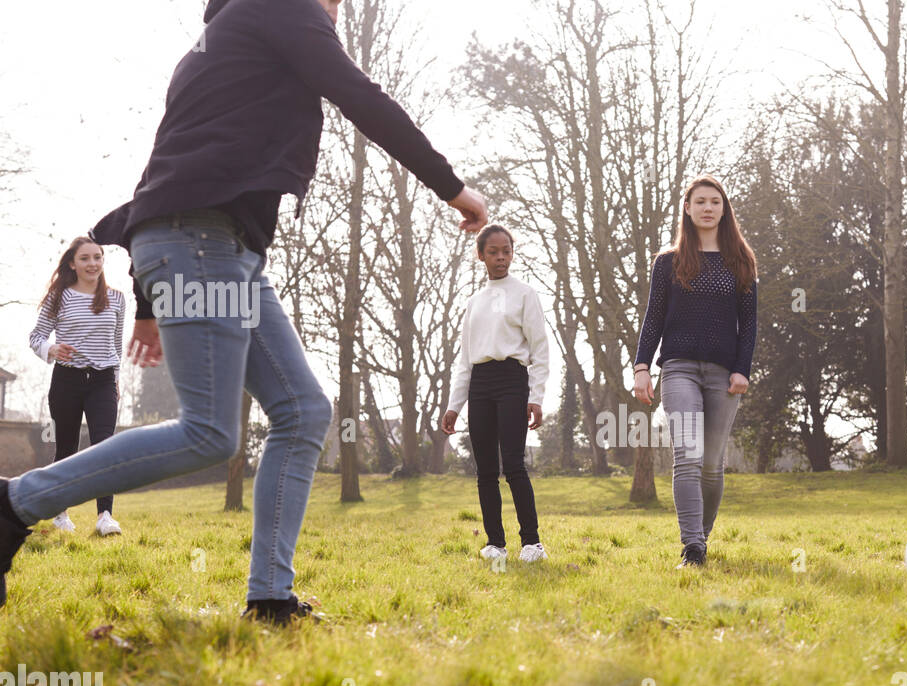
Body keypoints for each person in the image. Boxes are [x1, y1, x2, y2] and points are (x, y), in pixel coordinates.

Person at [0, 0, 488, 618]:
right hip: (201, 245)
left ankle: (269, 597)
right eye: (333, 1)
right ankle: (16, 502)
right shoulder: (280, 6)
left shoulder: (219, 39)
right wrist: (451, 186)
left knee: (303, 410)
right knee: (208, 432)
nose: (335, 11)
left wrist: (148, 299)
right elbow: (359, 95)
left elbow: (161, 169)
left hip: (212, 248)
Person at [633, 175, 757, 569]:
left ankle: (700, 539)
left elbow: (749, 325)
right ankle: (693, 549)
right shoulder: (668, 262)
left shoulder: (742, 262)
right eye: (700, 201)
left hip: (723, 374)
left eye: (715, 202)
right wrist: (641, 367)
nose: (708, 207)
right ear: (687, 208)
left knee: (712, 463)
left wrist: (742, 370)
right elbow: (653, 318)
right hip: (679, 367)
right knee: (687, 456)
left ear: (724, 209)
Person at [441, 225, 550, 564]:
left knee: (514, 464)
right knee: (485, 469)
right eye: (493, 252)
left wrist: (537, 396)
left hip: (513, 380)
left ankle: (532, 543)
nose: (501, 257)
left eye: (506, 250)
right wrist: (454, 406)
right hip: (481, 384)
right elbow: (464, 359)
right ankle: (495, 544)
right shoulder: (474, 302)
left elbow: (540, 350)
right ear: (481, 255)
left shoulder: (525, 294)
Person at [29, 238, 126, 536]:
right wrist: (51, 349)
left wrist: (116, 380)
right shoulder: (59, 297)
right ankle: (60, 513)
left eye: (97, 257)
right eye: (85, 258)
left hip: (103, 381)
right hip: (67, 380)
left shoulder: (117, 298)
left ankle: (104, 516)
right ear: (73, 263)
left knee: (104, 447)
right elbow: (36, 337)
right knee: (67, 449)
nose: (93, 264)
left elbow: (117, 343)